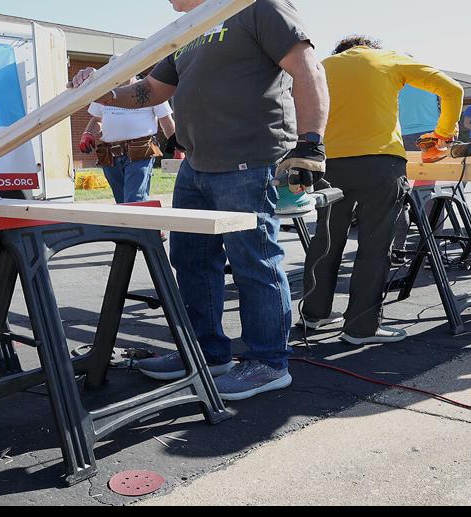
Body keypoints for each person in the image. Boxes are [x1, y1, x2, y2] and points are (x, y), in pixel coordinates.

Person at [71, 0, 329, 402]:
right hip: (196, 164)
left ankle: (268, 362)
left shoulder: (257, 6)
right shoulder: (189, 28)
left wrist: (311, 143)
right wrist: (99, 91)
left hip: (248, 159)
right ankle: (208, 354)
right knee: (191, 260)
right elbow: (149, 91)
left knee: (253, 261)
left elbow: (308, 68)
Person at [300, 35, 461, 345]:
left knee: (327, 239)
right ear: (368, 48)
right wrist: (442, 133)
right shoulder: (389, 58)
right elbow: (451, 89)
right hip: (380, 162)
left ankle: (313, 314)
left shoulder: (322, 65)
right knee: (375, 245)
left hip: (330, 162)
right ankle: (361, 328)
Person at [81, 76, 175, 203]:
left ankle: (143, 222)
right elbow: (97, 119)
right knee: (122, 202)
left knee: (134, 200)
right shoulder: (105, 91)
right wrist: (87, 134)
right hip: (111, 155)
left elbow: (166, 122)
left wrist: (176, 143)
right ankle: (142, 223)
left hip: (140, 152)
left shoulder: (148, 89)